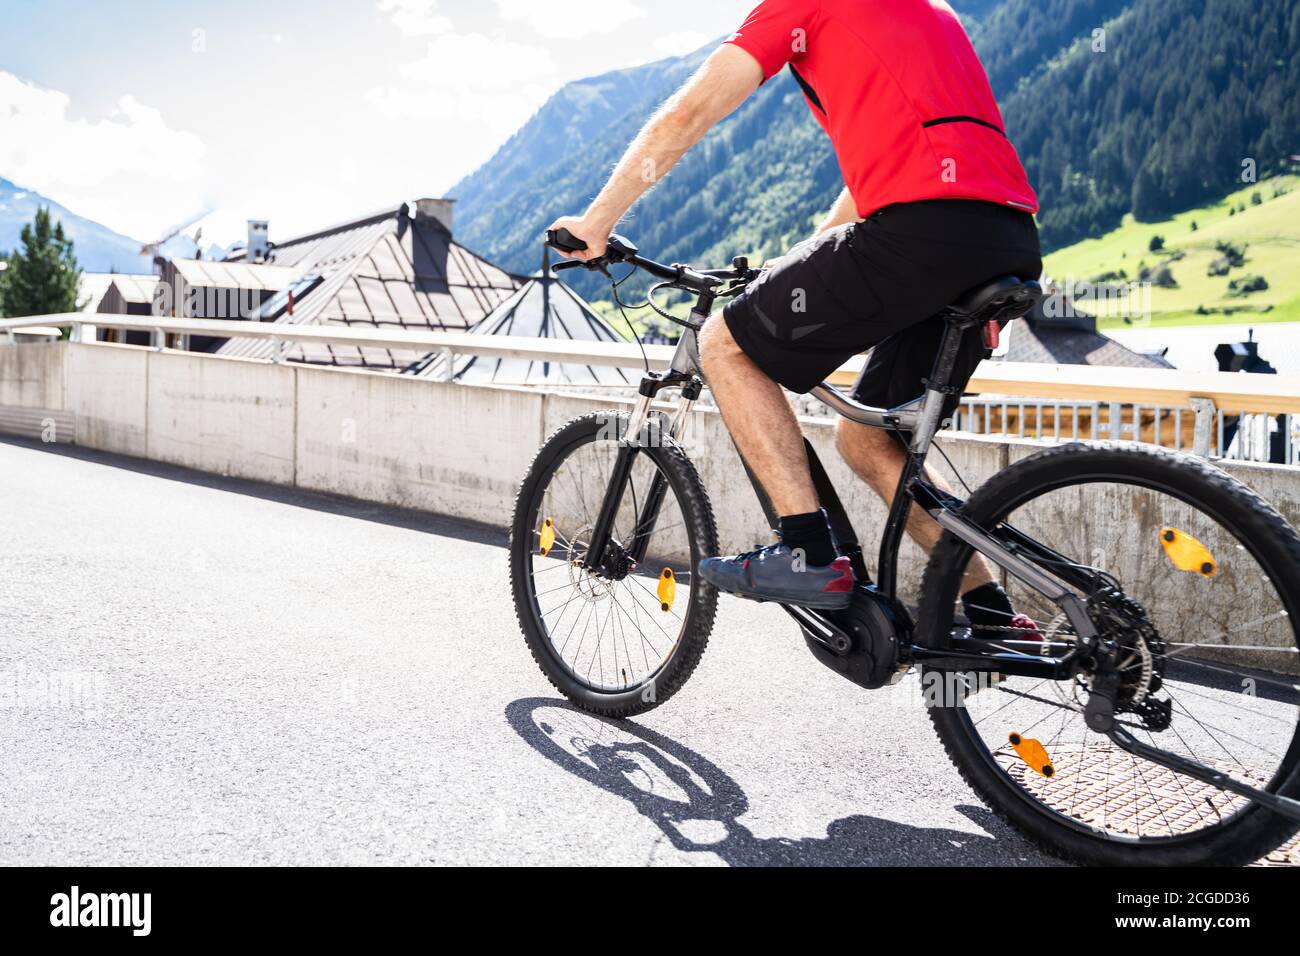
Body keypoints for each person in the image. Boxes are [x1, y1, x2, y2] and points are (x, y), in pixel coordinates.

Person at [548, 0, 1043, 634]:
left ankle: (807, 552)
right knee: (869, 440)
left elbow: (688, 112)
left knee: (725, 345)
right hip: (1004, 240)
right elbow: (881, 180)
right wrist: (795, 265)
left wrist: (597, 224)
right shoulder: (933, 13)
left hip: (920, 232)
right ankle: (990, 613)